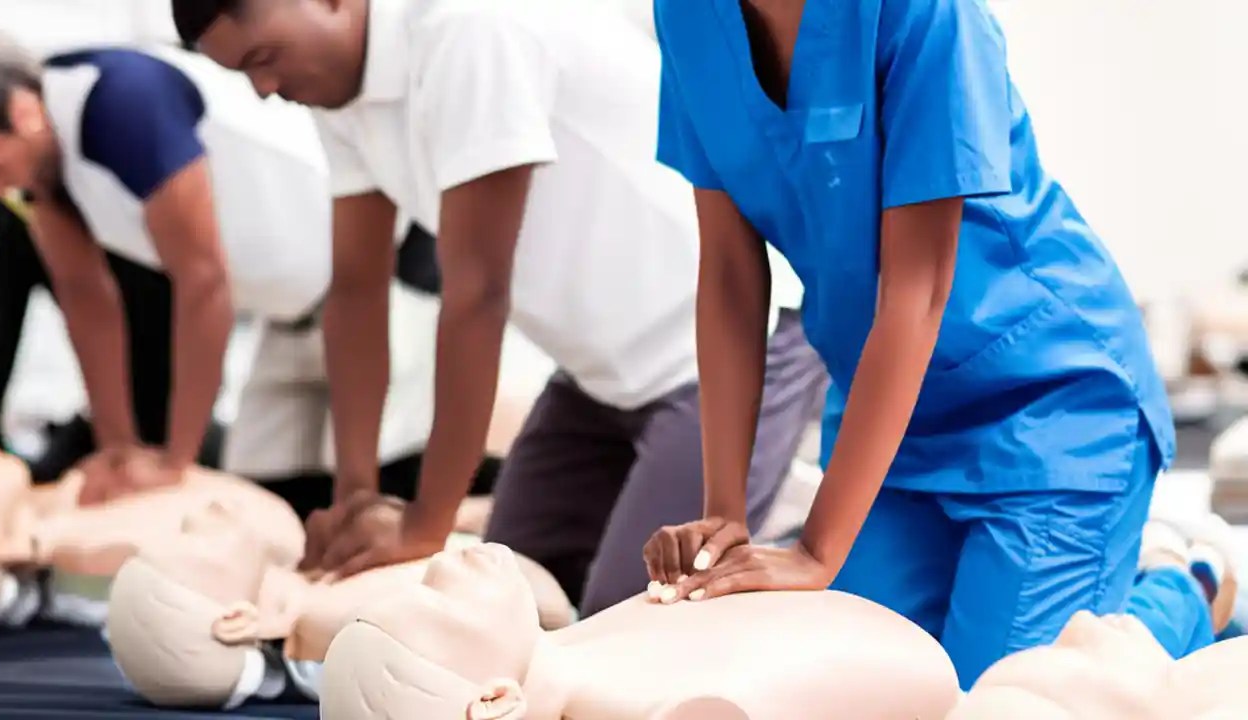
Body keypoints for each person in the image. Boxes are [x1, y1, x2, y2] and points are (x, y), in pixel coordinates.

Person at [172, 0, 828, 615]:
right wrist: (356, 497)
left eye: (263, 59)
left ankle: (789, 531)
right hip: (595, 378)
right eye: (245, 74)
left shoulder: (469, 29)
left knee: (623, 620)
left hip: (731, 350)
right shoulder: (330, 83)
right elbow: (355, 293)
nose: (264, 90)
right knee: (492, 599)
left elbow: (477, 296)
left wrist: (423, 527)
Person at [642, 0, 1176, 689]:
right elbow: (730, 272)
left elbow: (917, 290)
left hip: (1048, 404)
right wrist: (726, 517)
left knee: (1002, 696)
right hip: (891, 422)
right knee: (853, 691)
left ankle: (1191, 586)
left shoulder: (927, 13)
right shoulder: (687, 15)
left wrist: (814, 550)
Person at [0, 25, 378, 512]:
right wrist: (118, 448)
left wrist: (175, 461)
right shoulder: (41, 167)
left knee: (381, 491)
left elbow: (202, 280)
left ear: (21, 113)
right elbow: (85, 297)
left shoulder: (120, 101)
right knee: (281, 495)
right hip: (287, 317)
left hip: (374, 283)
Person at [0, 195, 224, 482]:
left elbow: (203, 290)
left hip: (169, 401)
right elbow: (6, 310)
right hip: (104, 413)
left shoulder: (112, 189)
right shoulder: (16, 198)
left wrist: (179, 456)